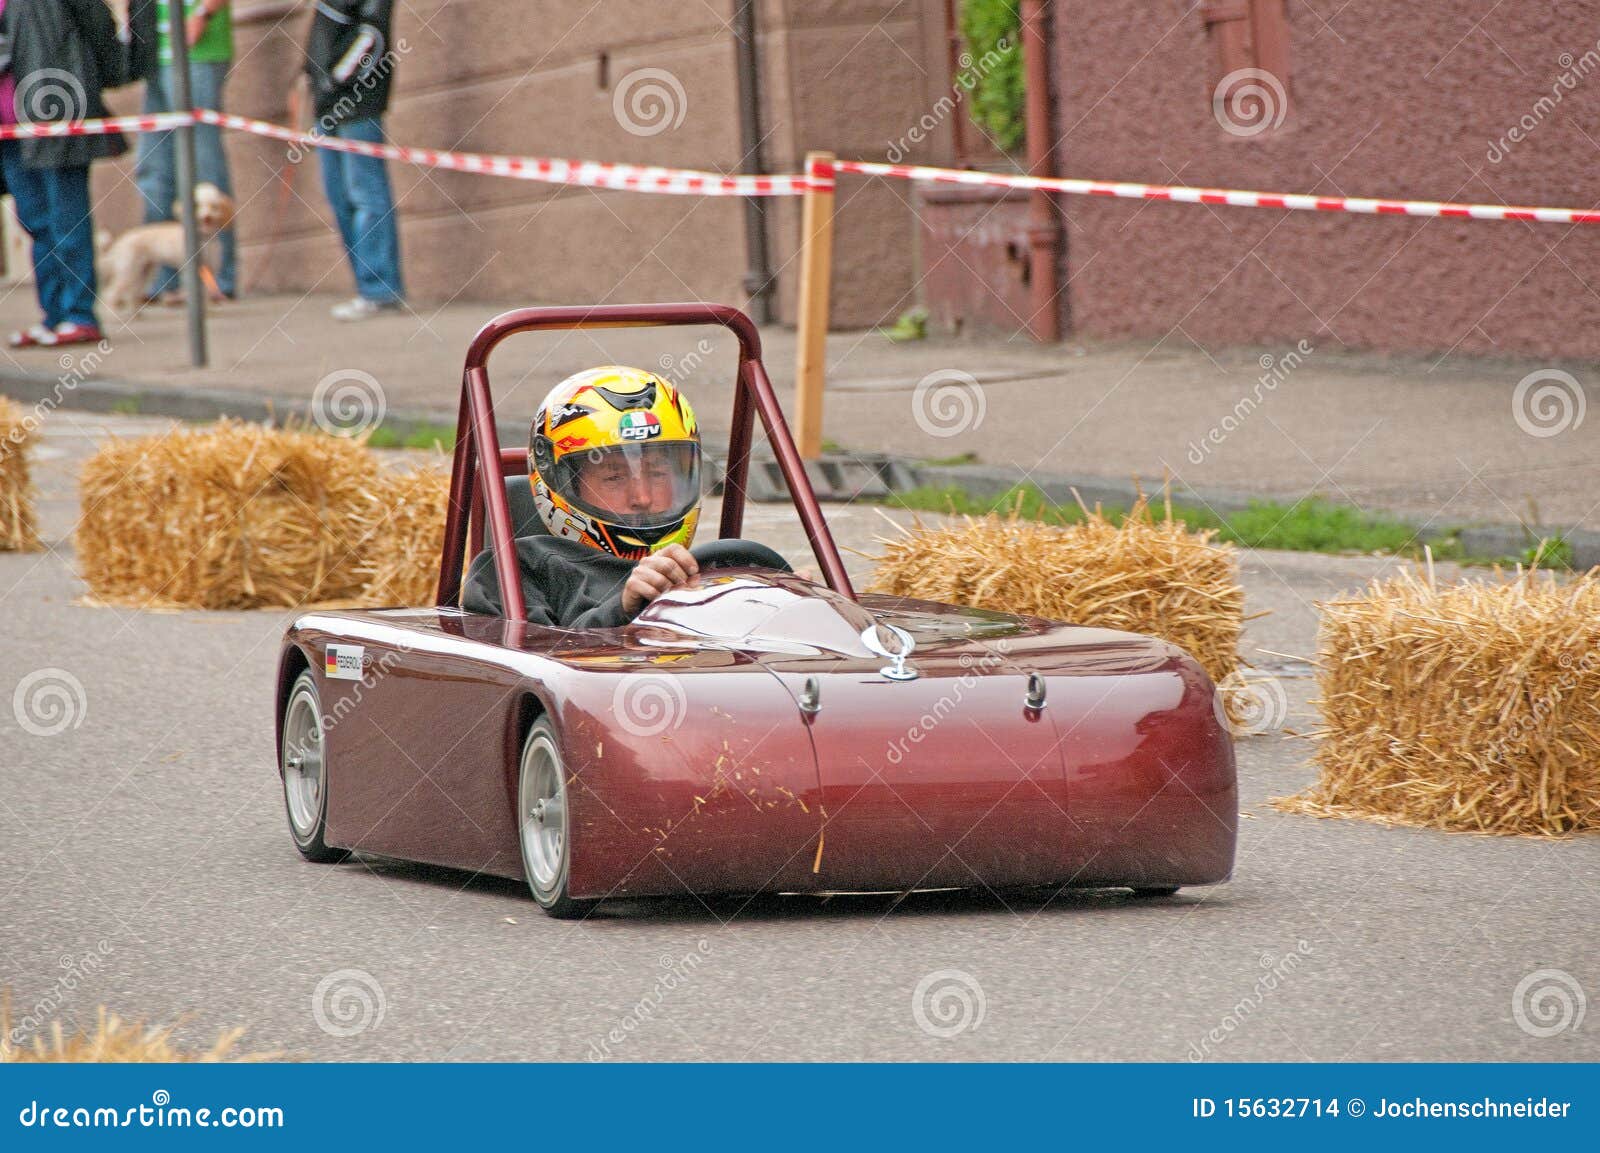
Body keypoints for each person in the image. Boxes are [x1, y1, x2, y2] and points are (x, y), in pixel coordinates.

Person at [462, 366, 790, 627]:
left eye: (658, 473)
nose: (643, 497)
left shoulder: (712, 566)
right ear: (559, 483)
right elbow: (536, 675)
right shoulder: (516, 570)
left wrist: (787, 602)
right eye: (614, 477)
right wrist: (624, 610)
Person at [0, 0, 129, 348]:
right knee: (35, 221)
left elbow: (98, 24)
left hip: (54, 110)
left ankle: (79, 315)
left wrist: (103, 76)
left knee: (66, 218)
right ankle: (54, 316)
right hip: (9, 130)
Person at [304, 0, 405, 321]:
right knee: (339, 196)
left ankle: (380, 290)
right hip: (326, 106)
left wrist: (336, 81)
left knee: (366, 194)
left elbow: (371, 38)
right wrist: (310, 80)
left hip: (356, 105)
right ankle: (366, 286)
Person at [132, 0, 237, 301]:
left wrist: (203, 12)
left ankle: (218, 279)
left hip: (198, 51)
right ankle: (165, 279)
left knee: (204, 172)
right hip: (156, 52)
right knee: (154, 171)